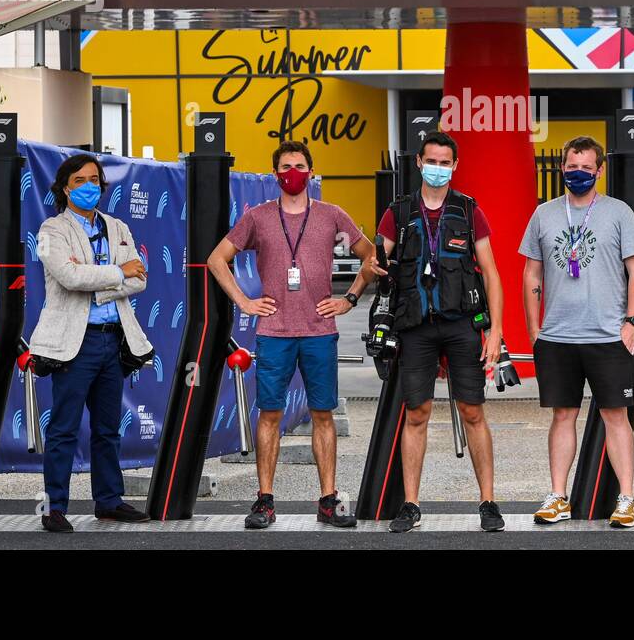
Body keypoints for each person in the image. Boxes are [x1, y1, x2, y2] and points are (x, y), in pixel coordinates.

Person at [207, 140, 379, 530]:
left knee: (323, 414)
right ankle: (265, 501)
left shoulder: (332, 214)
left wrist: (350, 298)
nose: (293, 172)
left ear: (311, 171)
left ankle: (329, 501)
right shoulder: (259, 217)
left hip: (319, 330)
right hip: (274, 331)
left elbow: (371, 255)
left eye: (300, 165)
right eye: (286, 166)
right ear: (275, 174)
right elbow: (218, 259)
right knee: (270, 414)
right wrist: (244, 302)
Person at [375, 131, 506, 533]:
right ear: (418, 162)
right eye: (430, 160)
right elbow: (374, 262)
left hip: (462, 324)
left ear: (454, 166)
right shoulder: (397, 212)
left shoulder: (469, 211)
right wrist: (374, 269)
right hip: (414, 327)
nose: (437, 168)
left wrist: (496, 331)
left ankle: (487, 502)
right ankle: (411, 504)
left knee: (472, 412)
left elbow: (493, 275)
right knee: (417, 414)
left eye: (444, 162)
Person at [521, 136, 634, 529]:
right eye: (571, 167)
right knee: (563, 415)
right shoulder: (544, 214)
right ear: (562, 167)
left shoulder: (618, 212)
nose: (578, 174)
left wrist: (632, 322)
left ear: (599, 170)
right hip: (558, 336)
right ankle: (559, 496)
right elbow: (532, 272)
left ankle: (626, 498)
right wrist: (534, 328)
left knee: (615, 416)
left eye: (586, 168)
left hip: (608, 334)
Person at [31, 154, 154, 533]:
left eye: (95, 180)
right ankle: (55, 506)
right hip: (74, 343)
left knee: (107, 429)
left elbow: (141, 279)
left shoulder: (117, 227)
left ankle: (109, 501)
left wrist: (98, 280)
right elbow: (69, 277)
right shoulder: (52, 230)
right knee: (64, 428)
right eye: (80, 180)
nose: (89, 186)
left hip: (112, 342)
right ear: (65, 187)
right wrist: (116, 273)